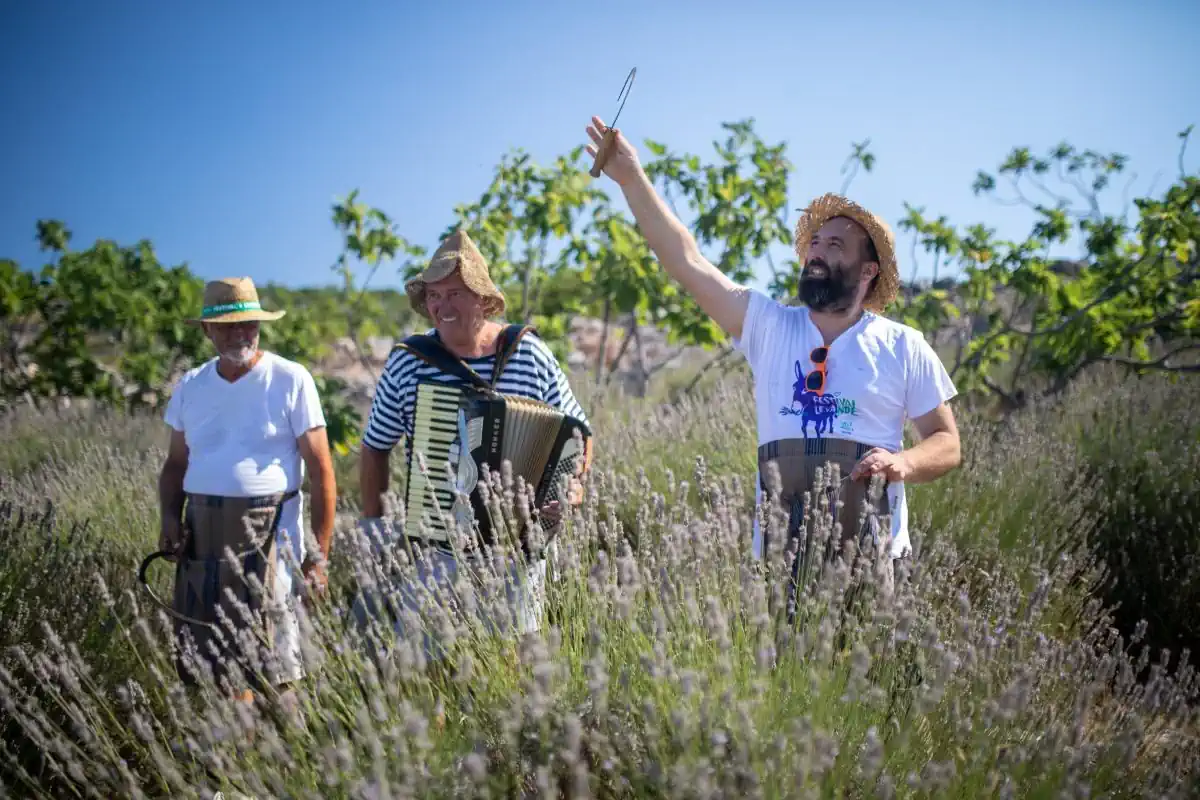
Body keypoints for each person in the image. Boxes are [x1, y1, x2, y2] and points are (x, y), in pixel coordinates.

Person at [584, 116, 961, 592]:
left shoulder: (903, 345)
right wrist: (631, 177)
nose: (818, 253)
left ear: (868, 271)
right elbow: (686, 260)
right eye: (815, 244)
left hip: (877, 561)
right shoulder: (768, 326)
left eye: (835, 245)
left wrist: (900, 463)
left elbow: (947, 443)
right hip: (784, 566)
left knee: (876, 667)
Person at [356, 228, 591, 649]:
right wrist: (373, 528)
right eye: (433, 296)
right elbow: (375, 447)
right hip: (435, 546)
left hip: (516, 544)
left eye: (454, 294)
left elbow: (578, 431)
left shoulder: (527, 352)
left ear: (482, 299)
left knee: (513, 660)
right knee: (432, 669)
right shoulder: (409, 363)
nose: (440, 306)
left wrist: (570, 488)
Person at [157, 276, 336, 693]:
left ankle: (289, 755)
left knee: (278, 671)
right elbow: (174, 466)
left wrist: (319, 557)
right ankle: (231, 754)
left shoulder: (290, 379)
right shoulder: (191, 385)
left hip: (272, 537)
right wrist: (168, 518)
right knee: (215, 670)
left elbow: (323, 470)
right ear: (206, 330)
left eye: (248, 324)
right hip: (203, 537)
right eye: (227, 326)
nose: (240, 334)